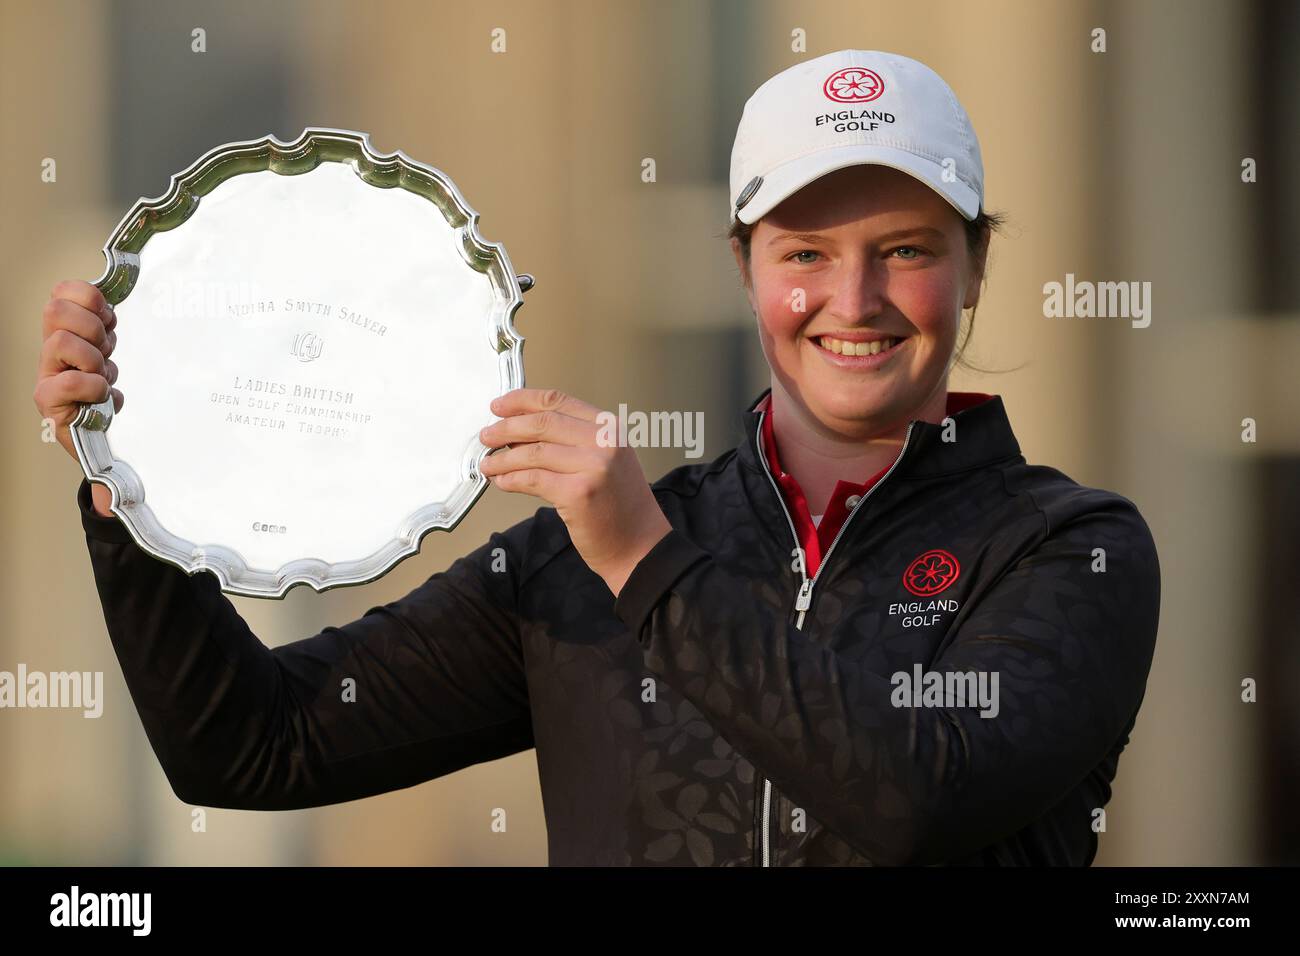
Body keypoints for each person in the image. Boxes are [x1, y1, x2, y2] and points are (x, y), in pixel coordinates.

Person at [33, 49, 1160, 866]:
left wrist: (648, 564)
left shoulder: (1069, 547)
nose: (851, 300)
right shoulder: (578, 559)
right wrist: (130, 475)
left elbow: (921, 791)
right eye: (804, 250)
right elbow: (251, 745)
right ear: (744, 267)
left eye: (905, 250)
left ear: (975, 265)